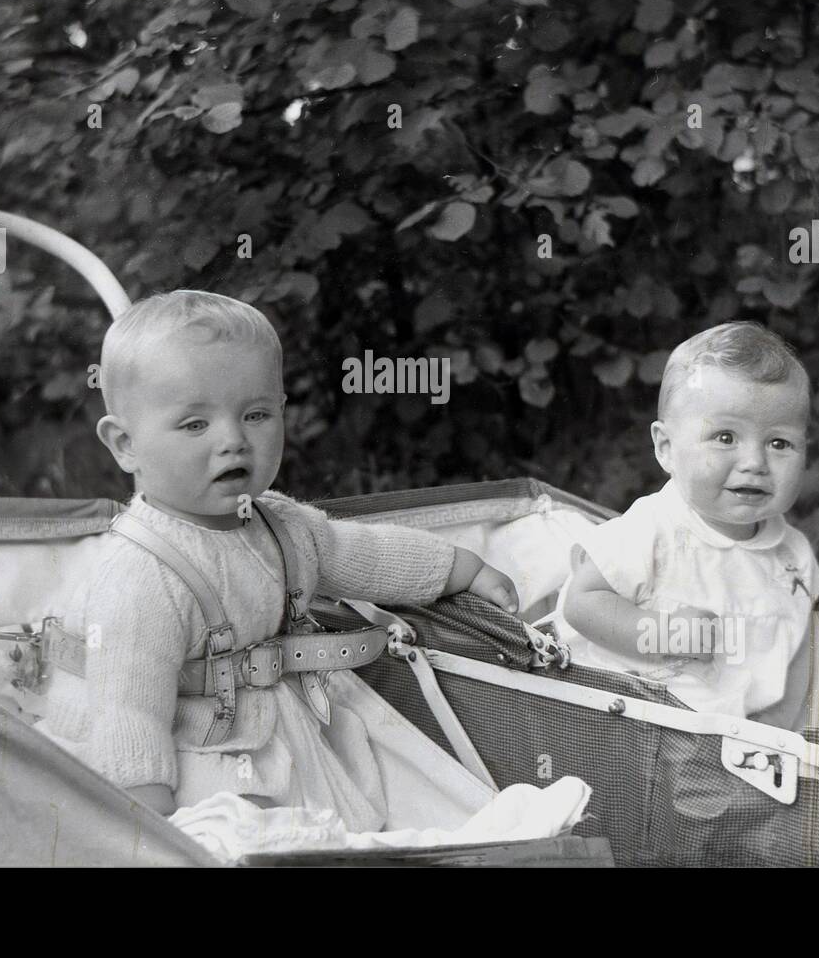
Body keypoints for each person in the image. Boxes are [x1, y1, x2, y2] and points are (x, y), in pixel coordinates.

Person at [36, 289, 519, 829]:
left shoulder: (280, 526)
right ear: (125, 444)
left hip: (267, 726)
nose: (233, 440)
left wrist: (459, 567)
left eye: (257, 414)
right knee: (238, 832)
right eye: (195, 425)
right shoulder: (142, 577)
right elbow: (127, 711)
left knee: (349, 814)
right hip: (180, 754)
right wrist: (148, 821)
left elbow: (361, 554)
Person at [550, 321, 819, 725]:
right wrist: (662, 634)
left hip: (734, 735)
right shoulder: (653, 529)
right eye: (725, 438)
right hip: (628, 719)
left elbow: (802, 646)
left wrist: (781, 725)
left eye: (779, 443)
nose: (754, 463)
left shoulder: (793, 552)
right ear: (666, 448)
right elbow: (582, 603)